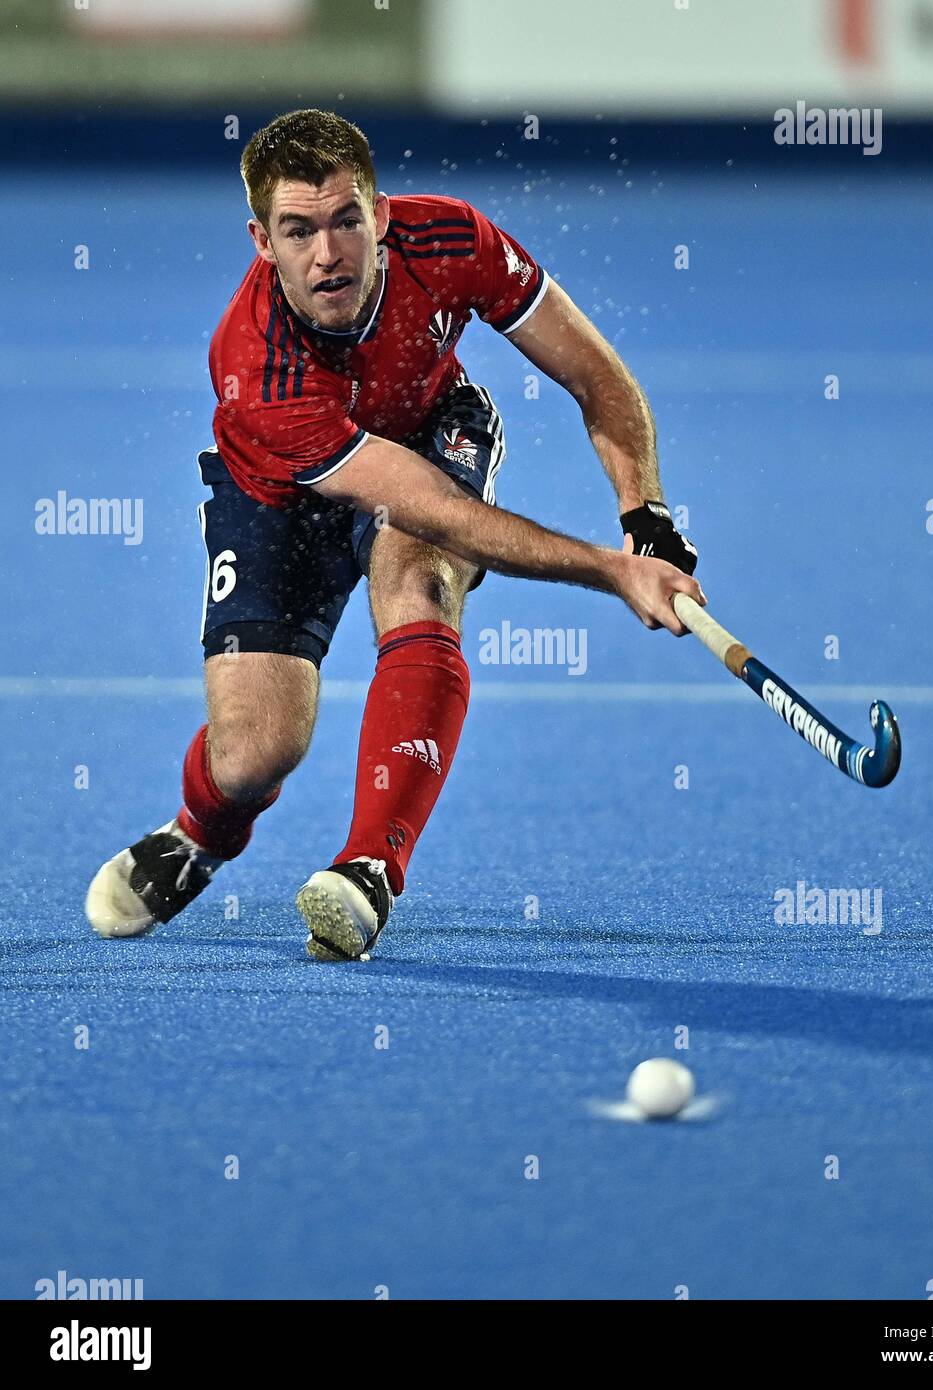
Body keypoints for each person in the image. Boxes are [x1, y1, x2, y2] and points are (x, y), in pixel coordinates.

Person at [85, 108, 702, 961]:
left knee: (417, 581)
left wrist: (647, 518)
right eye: (299, 232)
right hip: (278, 491)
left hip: (427, 426)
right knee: (257, 754)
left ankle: (369, 868)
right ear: (263, 242)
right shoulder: (256, 365)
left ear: (380, 215)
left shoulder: (450, 241)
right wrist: (613, 572)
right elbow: (437, 510)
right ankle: (201, 831)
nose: (328, 254)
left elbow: (592, 373)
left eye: (346, 221)